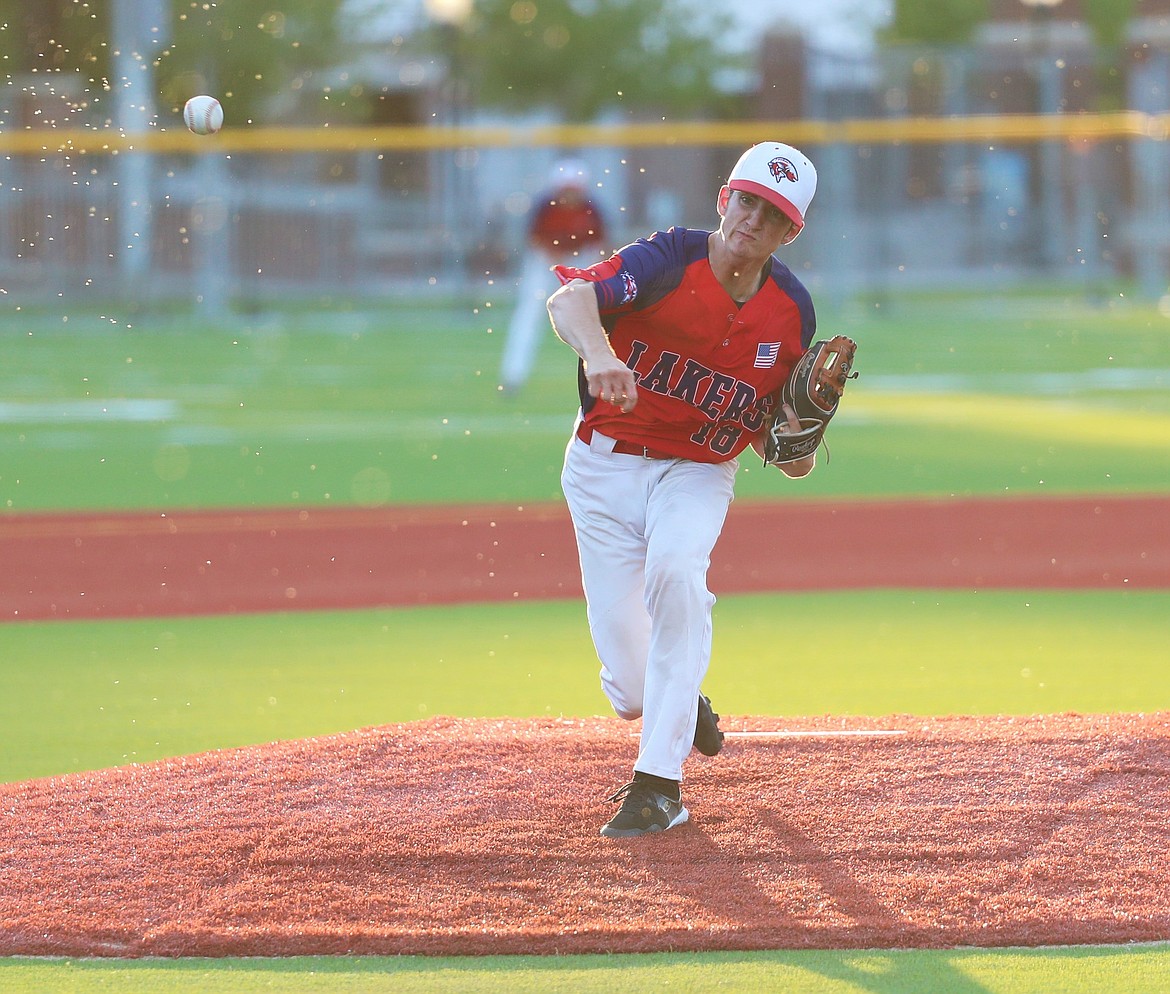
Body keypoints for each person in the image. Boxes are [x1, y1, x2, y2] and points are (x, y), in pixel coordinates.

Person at [546, 141, 820, 838]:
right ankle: (678, 699)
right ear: (726, 198)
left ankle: (658, 787)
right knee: (635, 692)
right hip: (603, 466)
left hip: (697, 470)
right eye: (748, 201)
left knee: (677, 574)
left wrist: (795, 447)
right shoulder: (668, 258)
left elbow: (779, 447)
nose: (753, 220)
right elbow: (570, 300)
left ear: (791, 233)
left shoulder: (790, 313)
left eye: (773, 214)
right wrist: (600, 354)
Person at [499, 160, 609, 394]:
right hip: (544, 262)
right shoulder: (545, 208)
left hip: (579, 260)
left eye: (574, 191)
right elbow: (536, 240)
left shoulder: (592, 209)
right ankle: (513, 375)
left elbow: (599, 244)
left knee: (594, 316)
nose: (569, 196)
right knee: (529, 314)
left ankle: (599, 372)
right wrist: (557, 262)